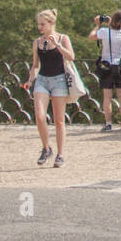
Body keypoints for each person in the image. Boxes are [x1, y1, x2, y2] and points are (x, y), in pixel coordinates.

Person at [25, 9, 75, 167]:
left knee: (59, 120)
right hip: (42, 80)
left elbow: (71, 57)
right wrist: (30, 79)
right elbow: (35, 65)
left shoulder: (63, 38)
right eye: (38, 24)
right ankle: (46, 148)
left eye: (42, 24)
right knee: (40, 115)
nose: (40, 27)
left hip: (59, 79)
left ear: (51, 23)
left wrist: (58, 45)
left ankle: (60, 154)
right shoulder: (37, 42)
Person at [89, 11, 121, 131]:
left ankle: (108, 123)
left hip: (107, 66)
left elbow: (91, 36)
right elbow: (118, 29)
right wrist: (112, 23)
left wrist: (98, 24)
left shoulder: (104, 32)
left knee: (107, 96)